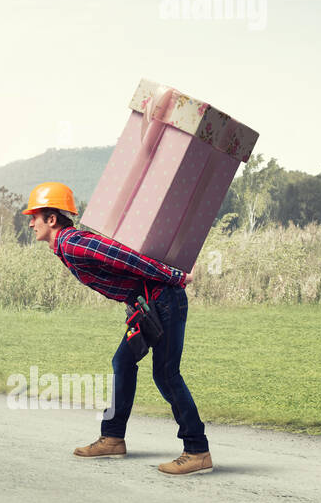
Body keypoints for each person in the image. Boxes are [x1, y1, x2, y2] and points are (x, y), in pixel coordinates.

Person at [22, 181, 212, 476]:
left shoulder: (73, 242)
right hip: (148, 304)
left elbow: (126, 257)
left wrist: (174, 276)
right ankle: (112, 438)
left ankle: (197, 450)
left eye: (34, 216)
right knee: (122, 361)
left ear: (52, 219)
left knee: (166, 374)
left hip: (163, 299)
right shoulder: (65, 246)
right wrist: (133, 305)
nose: (31, 222)